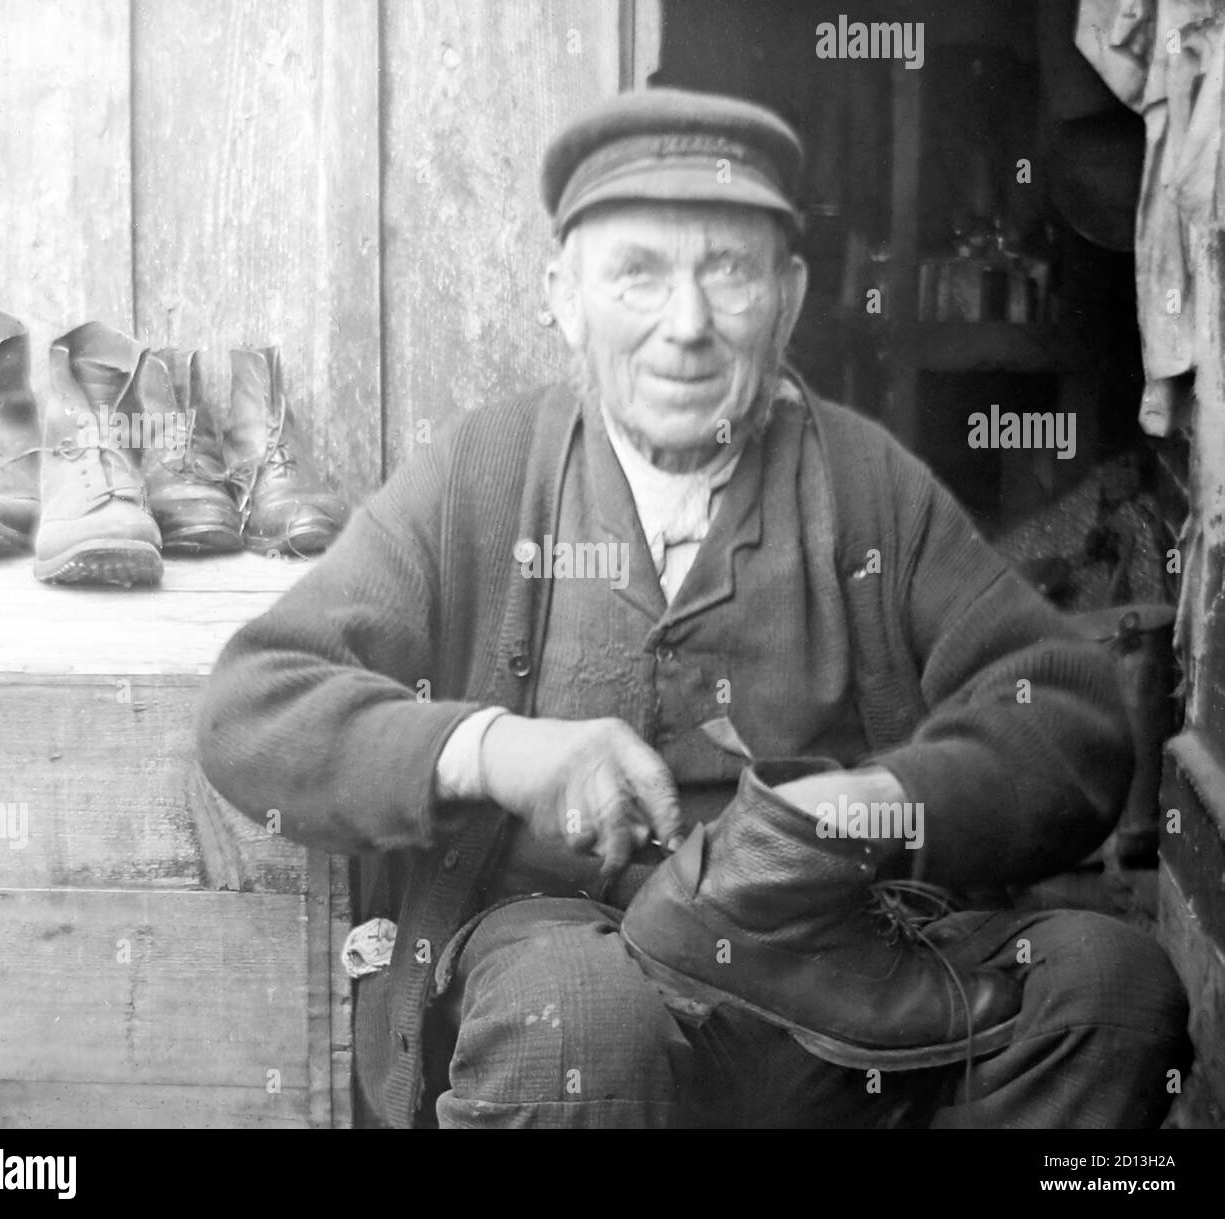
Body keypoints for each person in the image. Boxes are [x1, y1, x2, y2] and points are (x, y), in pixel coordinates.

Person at [197, 88, 1189, 1129]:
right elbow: (254, 705)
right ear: (564, 295)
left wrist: (879, 803)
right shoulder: (484, 477)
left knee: (1107, 990)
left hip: (837, 979)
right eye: (638, 273)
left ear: (790, 295)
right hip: (574, 969)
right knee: (574, 1019)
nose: (686, 327)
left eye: (729, 272)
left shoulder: (861, 484)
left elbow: (1069, 720)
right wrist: (493, 749)